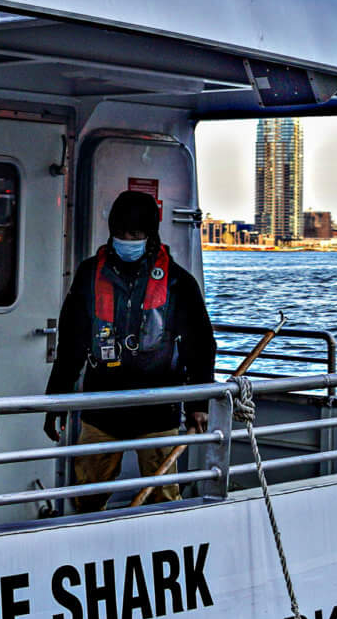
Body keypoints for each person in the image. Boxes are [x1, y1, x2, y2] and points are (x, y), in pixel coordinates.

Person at [46, 190, 217, 512]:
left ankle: (165, 544)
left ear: (150, 235)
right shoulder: (88, 275)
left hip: (158, 410)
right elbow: (71, 342)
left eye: (136, 234)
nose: (128, 241)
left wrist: (198, 403)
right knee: (87, 497)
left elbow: (200, 345)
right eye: (121, 234)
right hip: (101, 409)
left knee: (162, 496)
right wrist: (56, 399)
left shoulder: (178, 282)